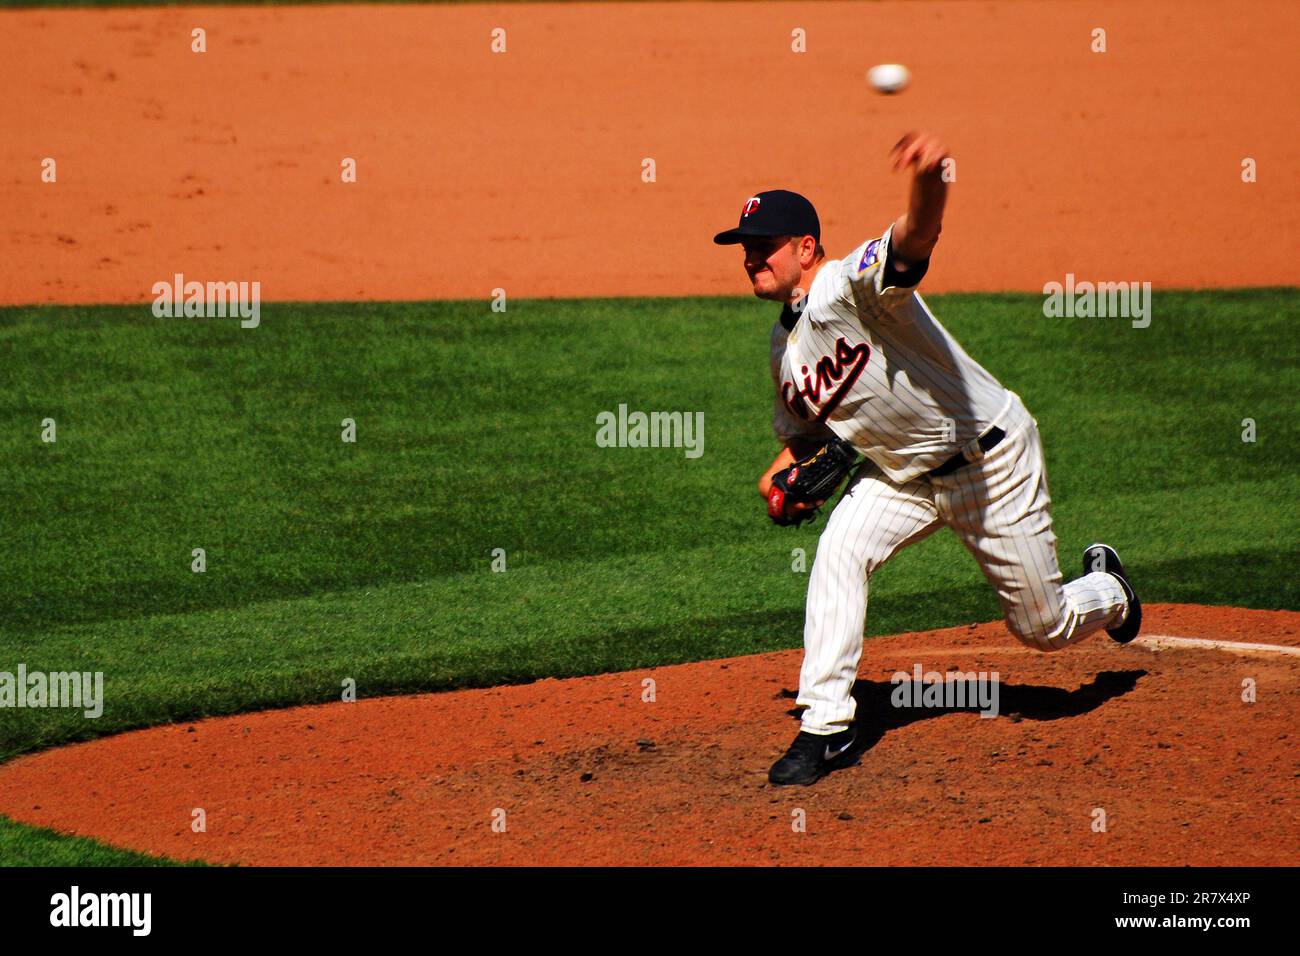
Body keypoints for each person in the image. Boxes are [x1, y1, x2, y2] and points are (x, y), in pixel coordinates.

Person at [711, 132, 1142, 787]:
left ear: (806, 248)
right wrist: (779, 487)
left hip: (990, 462)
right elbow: (799, 443)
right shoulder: (782, 350)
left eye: (763, 247)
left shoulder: (851, 285)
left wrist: (934, 173)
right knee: (839, 552)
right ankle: (826, 726)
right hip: (902, 477)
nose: (751, 260)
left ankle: (1109, 591)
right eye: (745, 250)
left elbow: (917, 236)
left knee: (1042, 627)